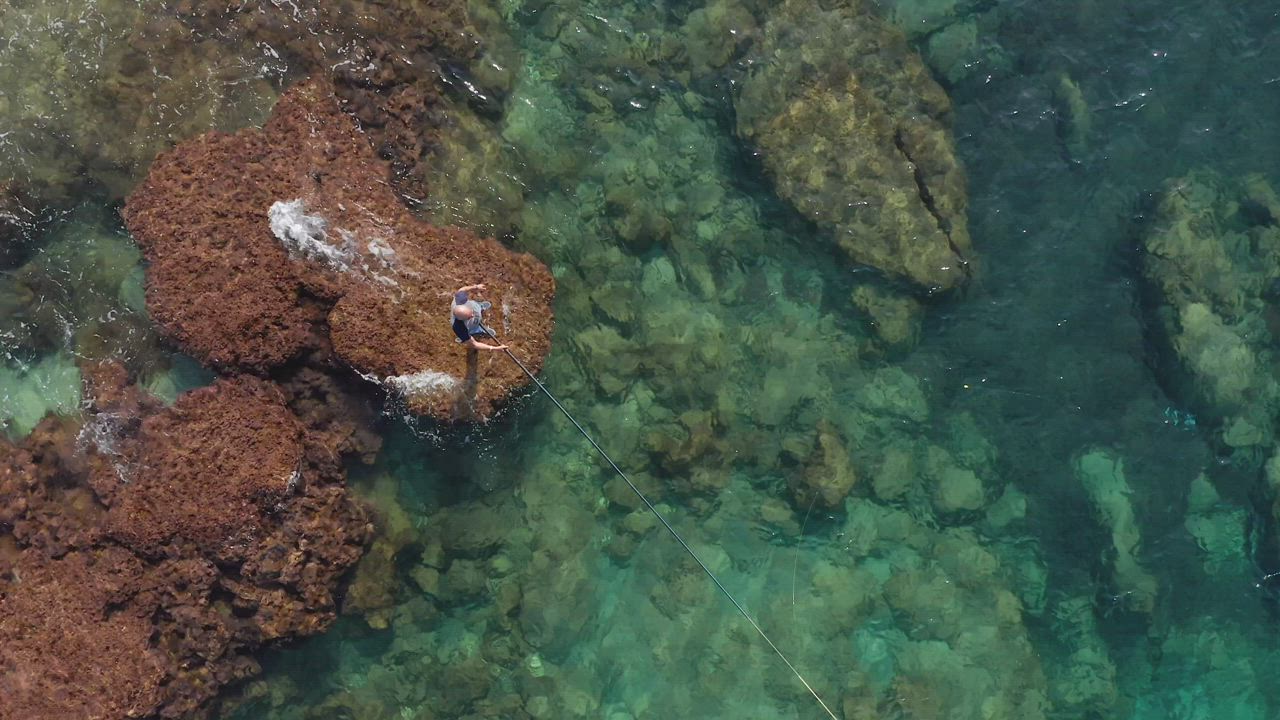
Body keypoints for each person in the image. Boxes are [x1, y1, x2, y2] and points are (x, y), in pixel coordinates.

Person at [449, 283, 507, 351]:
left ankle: (480, 306)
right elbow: (474, 344)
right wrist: (495, 348)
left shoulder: (460, 298)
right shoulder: (459, 327)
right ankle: (477, 331)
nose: (473, 316)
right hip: (471, 326)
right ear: (461, 319)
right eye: (469, 317)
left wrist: (476, 287)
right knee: (472, 329)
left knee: (476, 307)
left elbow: (463, 289)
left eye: (471, 313)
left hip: (475, 307)